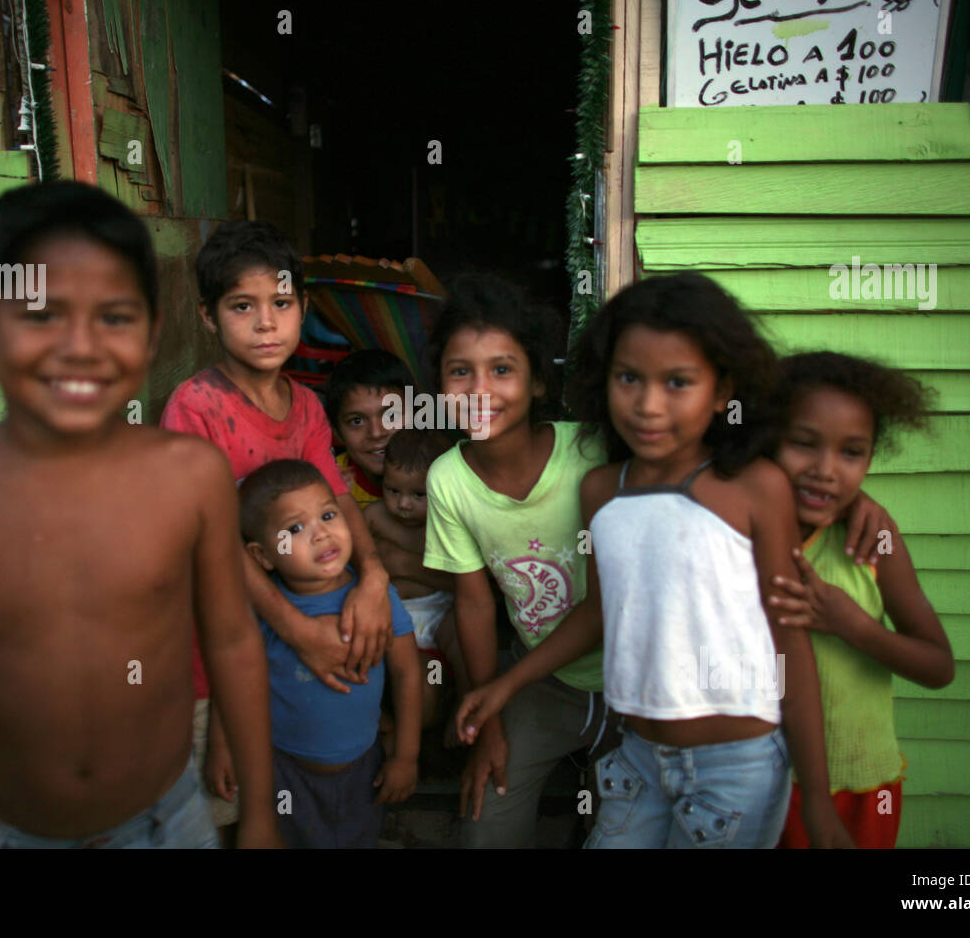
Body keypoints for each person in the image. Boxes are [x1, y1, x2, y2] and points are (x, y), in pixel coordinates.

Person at [0, 181, 278, 848]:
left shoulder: (190, 477)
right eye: (40, 314)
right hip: (0, 832)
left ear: (151, 333)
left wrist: (259, 815)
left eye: (114, 317)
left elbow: (231, 642)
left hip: (170, 820)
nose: (80, 347)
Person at [457, 272, 857, 848]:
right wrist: (507, 683)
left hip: (736, 769)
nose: (647, 405)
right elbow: (598, 611)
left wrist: (816, 800)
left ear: (722, 391)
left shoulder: (753, 487)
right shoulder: (601, 490)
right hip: (638, 758)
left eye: (677, 382)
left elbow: (789, 639)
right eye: (629, 378)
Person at [159, 220, 393, 838]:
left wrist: (372, 576)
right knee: (222, 811)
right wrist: (295, 628)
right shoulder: (195, 408)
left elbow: (339, 500)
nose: (267, 323)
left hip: (284, 654)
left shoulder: (309, 407)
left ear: (302, 309)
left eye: (281, 304)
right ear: (208, 316)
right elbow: (209, 545)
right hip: (216, 653)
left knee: (282, 799)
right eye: (243, 306)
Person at [420, 275, 610, 848]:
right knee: (484, 824)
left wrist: (501, 691)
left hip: (634, 682)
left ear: (537, 383)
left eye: (502, 370)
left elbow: (605, 609)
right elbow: (474, 602)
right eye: (460, 371)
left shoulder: (592, 454)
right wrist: (489, 724)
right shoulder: (447, 480)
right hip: (545, 683)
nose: (480, 390)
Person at [768, 351, 954, 848]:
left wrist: (853, 625)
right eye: (804, 444)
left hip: (865, 782)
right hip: (765, 785)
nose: (826, 470)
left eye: (852, 453)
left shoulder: (875, 541)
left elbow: (938, 667)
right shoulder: (744, 532)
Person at [239, 460, 421, 847]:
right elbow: (239, 682)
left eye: (327, 514)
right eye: (295, 528)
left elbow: (407, 672)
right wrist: (224, 746)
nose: (321, 534)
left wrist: (406, 756)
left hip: (363, 768)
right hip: (284, 769)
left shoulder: (376, 599)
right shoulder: (263, 611)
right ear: (263, 556)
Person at [365, 428, 469, 744]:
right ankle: (381, 721)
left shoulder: (450, 523)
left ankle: (468, 701)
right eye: (393, 490)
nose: (403, 504)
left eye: (418, 495)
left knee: (463, 634)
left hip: (438, 614)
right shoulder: (373, 516)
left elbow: (467, 583)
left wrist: (398, 560)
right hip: (391, 620)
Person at [325, 349, 416, 511]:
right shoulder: (328, 486)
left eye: (391, 415)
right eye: (357, 421)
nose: (376, 433)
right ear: (337, 432)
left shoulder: (440, 476)